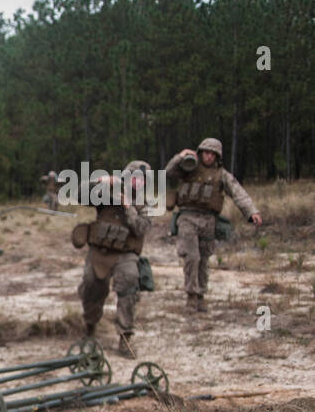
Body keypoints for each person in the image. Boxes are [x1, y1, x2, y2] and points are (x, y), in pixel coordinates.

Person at [165, 137, 261, 312]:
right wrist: (180, 156)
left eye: (212, 154)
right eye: (206, 153)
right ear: (200, 153)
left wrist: (252, 211)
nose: (208, 157)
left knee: (203, 259)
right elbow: (168, 172)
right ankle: (191, 297)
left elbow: (238, 192)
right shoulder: (189, 167)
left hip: (209, 220)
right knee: (191, 257)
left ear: (217, 156)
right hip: (187, 217)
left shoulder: (222, 175)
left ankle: (200, 295)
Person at [73, 163, 152, 358]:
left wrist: (128, 206)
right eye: (133, 177)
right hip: (100, 251)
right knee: (92, 284)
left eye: (141, 179)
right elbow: (79, 195)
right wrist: (99, 182)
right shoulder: (107, 192)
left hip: (126, 254)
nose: (137, 181)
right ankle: (90, 328)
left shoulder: (144, 203)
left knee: (129, 282)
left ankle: (125, 337)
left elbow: (142, 228)